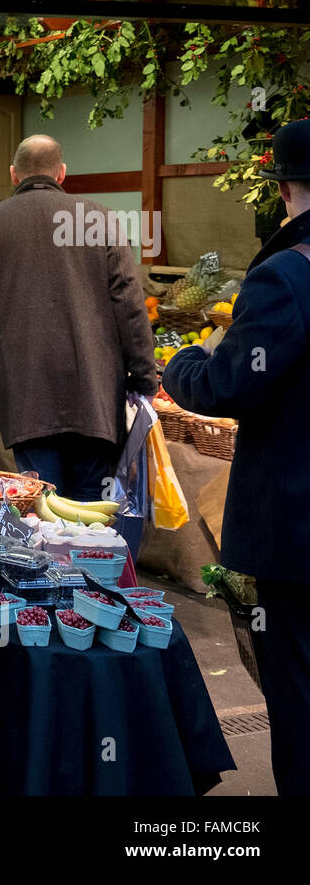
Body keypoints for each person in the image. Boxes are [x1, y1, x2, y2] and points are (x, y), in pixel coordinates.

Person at [162, 119, 310, 795]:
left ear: (283, 189)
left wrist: (185, 363)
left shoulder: (286, 275)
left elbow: (231, 386)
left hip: (297, 535)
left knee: (299, 698)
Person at [0, 135, 157, 499]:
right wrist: (144, 376)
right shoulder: (100, 220)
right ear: (62, 173)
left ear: (14, 175)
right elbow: (130, 306)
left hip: (27, 395)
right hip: (96, 395)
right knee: (93, 513)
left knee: (43, 506)